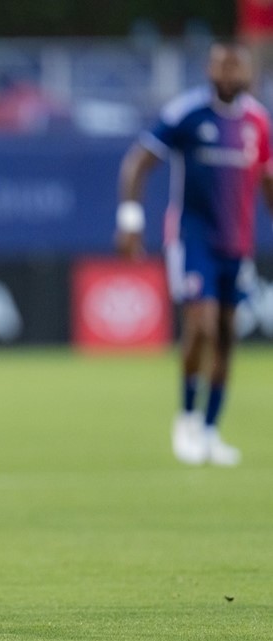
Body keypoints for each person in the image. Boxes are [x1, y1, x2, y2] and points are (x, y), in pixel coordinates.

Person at [116, 41, 273, 467]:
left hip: (237, 245)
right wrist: (131, 219)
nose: (227, 72)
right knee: (200, 324)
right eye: (220, 64)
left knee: (226, 334)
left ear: (249, 73)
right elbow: (138, 162)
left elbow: (267, 181)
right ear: (209, 69)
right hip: (192, 239)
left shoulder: (258, 121)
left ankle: (210, 430)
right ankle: (185, 419)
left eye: (236, 65)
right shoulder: (187, 113)